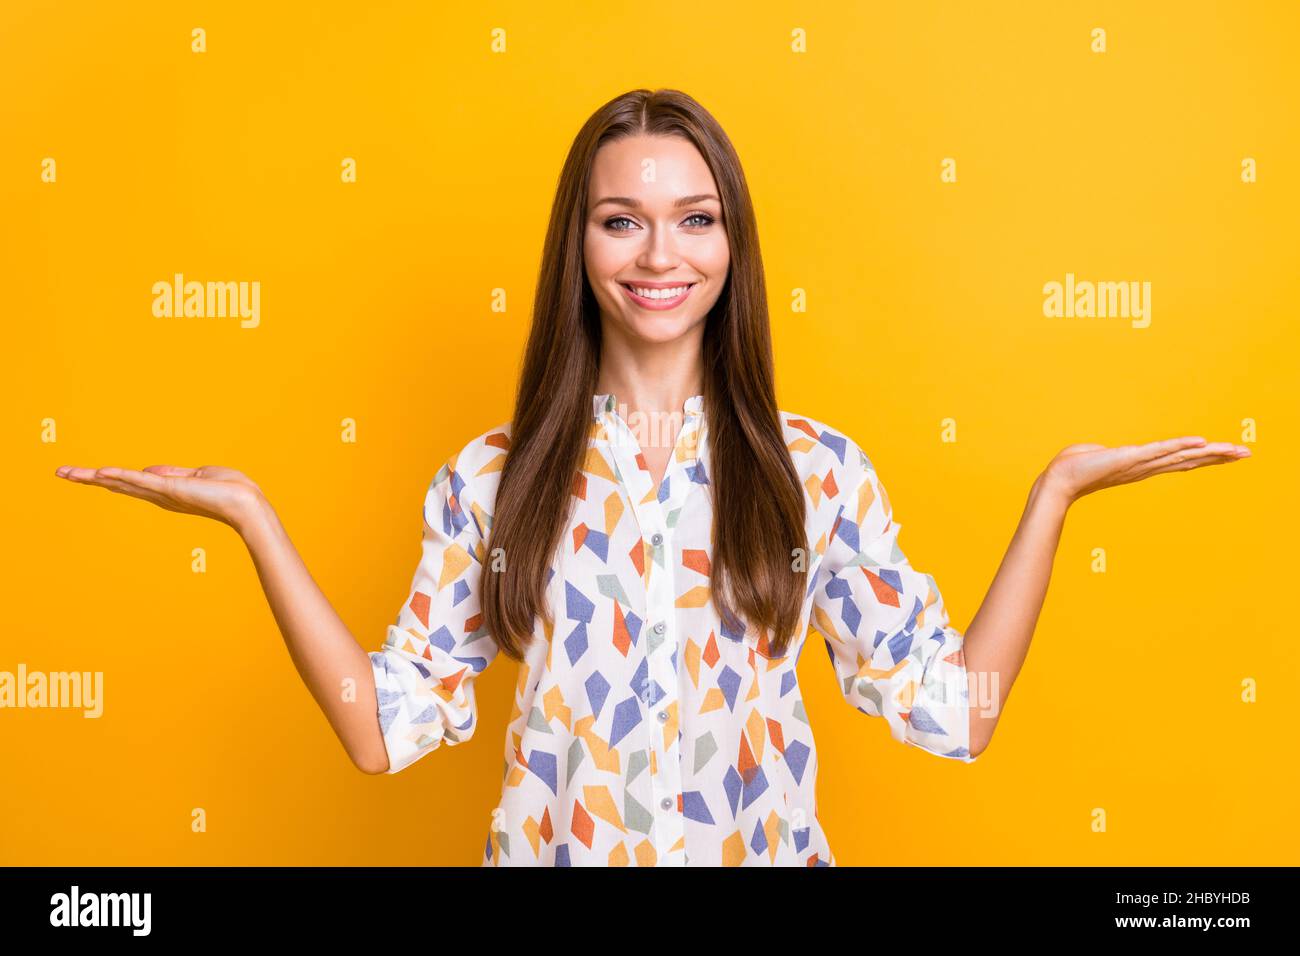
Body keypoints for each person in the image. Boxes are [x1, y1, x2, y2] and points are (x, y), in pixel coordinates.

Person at [53, 88, 1250, 866]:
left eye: (695, 218)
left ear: (732, 242)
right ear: (578, 243)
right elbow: (382, 731)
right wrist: (254, 518)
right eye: (621, 221)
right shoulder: (492, 478)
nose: (661, 253)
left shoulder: (812, 470)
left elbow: (956, 717)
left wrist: (1053, 494)